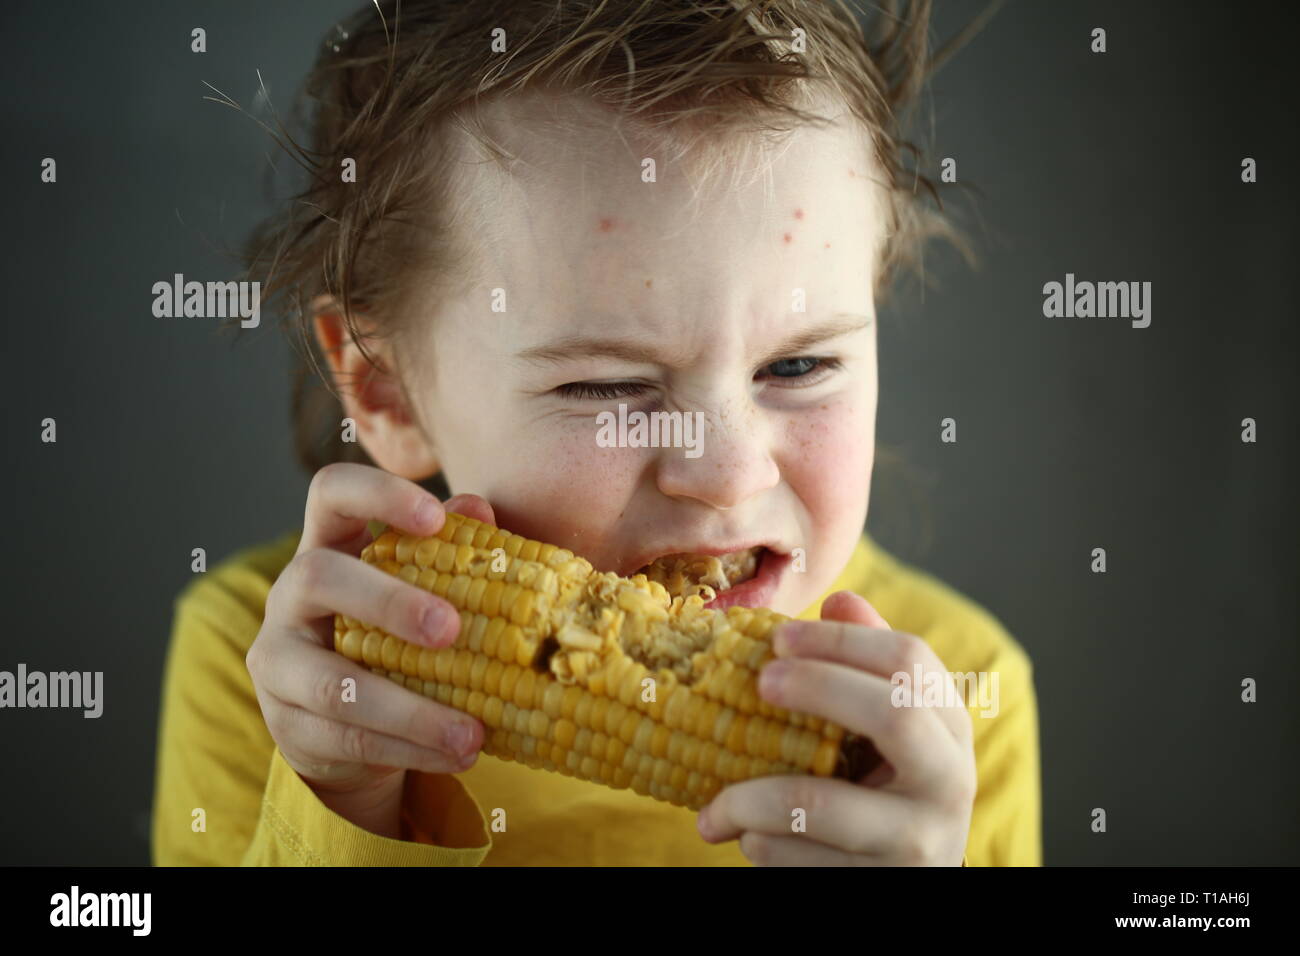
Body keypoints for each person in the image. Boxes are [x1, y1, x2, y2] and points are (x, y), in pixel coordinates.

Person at [152, 0, 1039, 866]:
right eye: (609, 386)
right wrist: (347, 807)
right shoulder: (270, 671)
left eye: (799, 367)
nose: (727, 472)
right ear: (387, 391)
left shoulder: (950, 704)